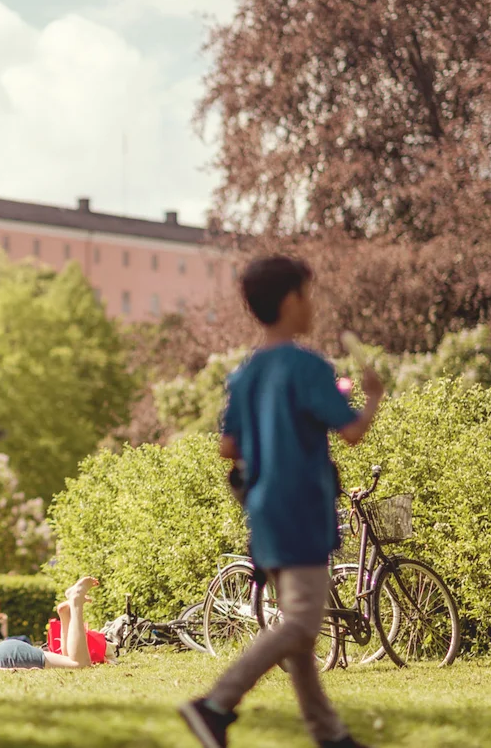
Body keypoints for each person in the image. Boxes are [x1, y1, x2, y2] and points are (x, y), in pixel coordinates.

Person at [178, 256, 382, 748]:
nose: (312, 305)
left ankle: (330, 736)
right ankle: (215, 704)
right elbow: (352, 431)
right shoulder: (308, 367)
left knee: (301, 636)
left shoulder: (246, 374)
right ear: (290, 300)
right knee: (302, 623)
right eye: (308, 295)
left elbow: (228, 445)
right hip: (302, 509)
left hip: (265, 510)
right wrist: (373, 395)